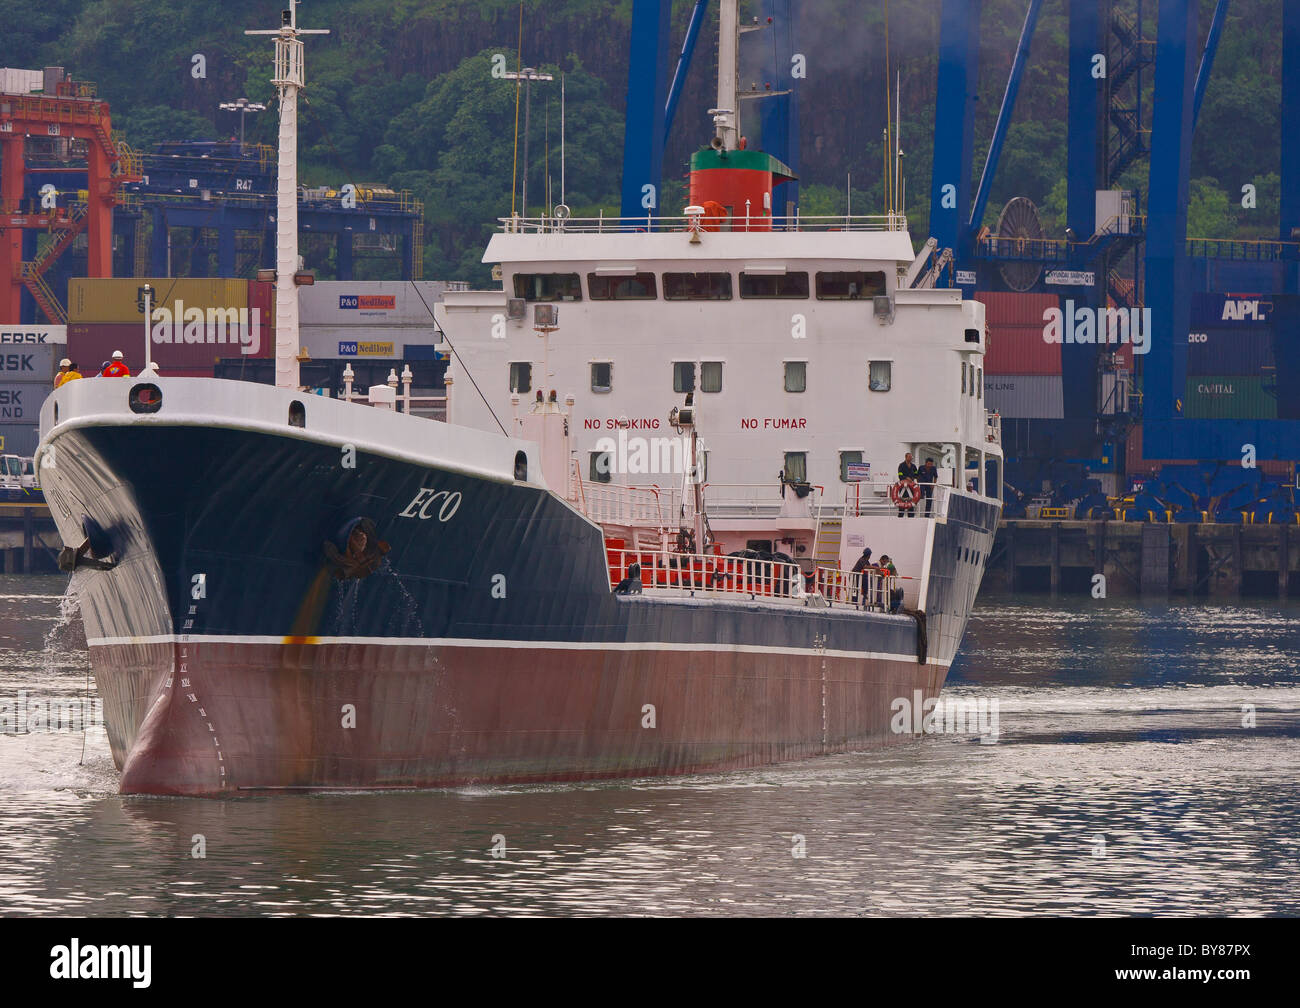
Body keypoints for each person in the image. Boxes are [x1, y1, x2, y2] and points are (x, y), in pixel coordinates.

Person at [896, 451, 918, 518]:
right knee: (902, 500)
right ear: (906, 457)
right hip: (903, 487)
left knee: (911, 500)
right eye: (909, 457)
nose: (911, 458)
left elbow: (916, 474)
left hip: (911, 487)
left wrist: (912, 478)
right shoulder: (901, 465)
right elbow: (900, 475)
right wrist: (906, 478)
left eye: (911, 457)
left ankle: (911, 516)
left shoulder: (913, 466)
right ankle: (900, 516)